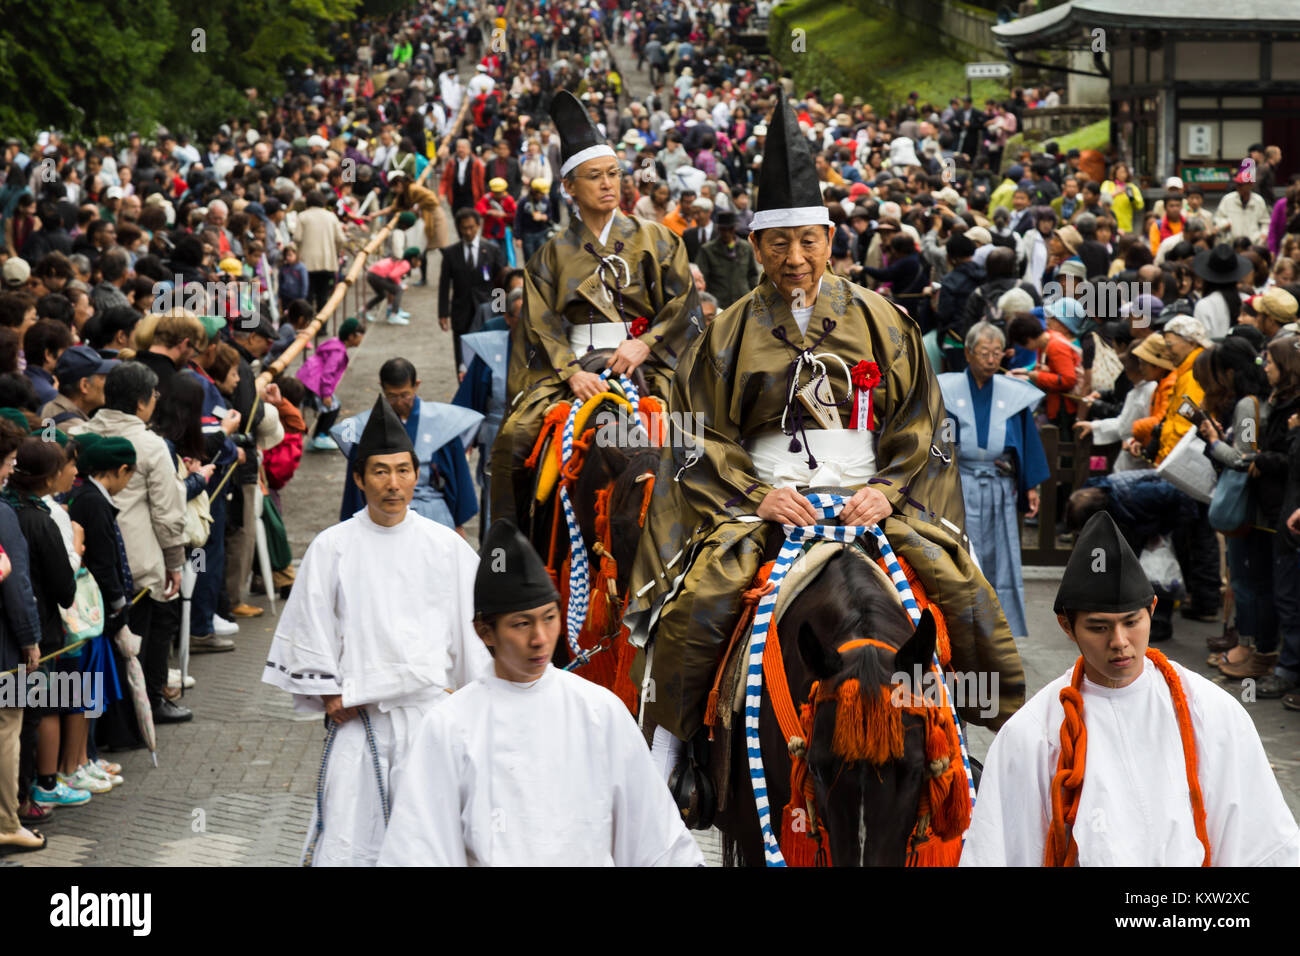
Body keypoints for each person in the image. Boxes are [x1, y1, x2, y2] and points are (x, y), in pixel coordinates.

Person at [627, 89, 1024, 787]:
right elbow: (696, 436)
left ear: (831, 242)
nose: (795, 257)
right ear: (754, 246)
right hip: (764, 500)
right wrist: (758, 494)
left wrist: (889, 489)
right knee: (700, 601)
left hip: (870, 495)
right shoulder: (722, 335)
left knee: (961, 588)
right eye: (777, 242)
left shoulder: (882, 320)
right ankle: (676, 750)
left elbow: (921, 426)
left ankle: (967, 732)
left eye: (808, 240)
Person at [960, 511, 1300, 866]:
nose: (1120, 642)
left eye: (1132, 622)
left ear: (1152, 609)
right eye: (1098, 627)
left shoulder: (1210, 709)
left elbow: (1263, 844)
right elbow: (999, 850)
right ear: (1066, 626)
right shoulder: (1033, 733)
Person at [377, 519, 704, 867]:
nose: (540, 638)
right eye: (521, 623)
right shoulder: (448, 725)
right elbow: (418, 848)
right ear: (485, 631)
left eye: (549, 618)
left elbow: (655, 838)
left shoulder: (599, 711)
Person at [262, 394, 492, 867]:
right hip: (360, 719)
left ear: (416, 472)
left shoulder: (446, 547)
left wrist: (476, 699)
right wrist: (326, 689)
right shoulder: (333, 547)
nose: (394, 483)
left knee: (436, 843)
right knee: (352, 837)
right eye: (381, 472)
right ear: (360, 477)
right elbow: (309, 623)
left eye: (404, 470)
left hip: (431, 719)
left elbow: (480, 628)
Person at [488, 90, 702, 527]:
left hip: (648, 362)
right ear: (568, 186)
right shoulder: (550, 254)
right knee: (515, 436)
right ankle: (513, 548)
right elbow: (539, 324)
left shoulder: (659, 239)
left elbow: (683, 304)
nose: (608, 184)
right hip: (576, 367)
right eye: (594, 176)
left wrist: (645, 344)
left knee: (699, 430)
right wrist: (571, 372)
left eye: (613, 174)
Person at [68, 362, 190, 725]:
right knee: (146, 636)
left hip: (85, 559)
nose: (155, 401)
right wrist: (175, 561)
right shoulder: (152, 446)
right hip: (138, 562)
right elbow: (168, 511)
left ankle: (106, 723)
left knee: (98, 644)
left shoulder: (78, 433)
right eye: (153, 396)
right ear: (141, 403)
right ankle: (149, 705)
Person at [939, 322, 1049, 638]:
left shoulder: (1015, 395)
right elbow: (942, 439)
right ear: (969, 353)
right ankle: (960, 624)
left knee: (1003, 557)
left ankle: (1000, 629)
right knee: (961, 552)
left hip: (1000, 483)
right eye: (984, 352)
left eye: (997, 352)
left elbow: (1026, 444)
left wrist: (1030, 487)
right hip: (962, 482)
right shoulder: (947, 388)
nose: (990, 358)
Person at [333, 358, 480, 534]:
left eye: (405, 395)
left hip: (432, 510)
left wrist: (457, 524)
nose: (399, 402)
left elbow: (458, 476)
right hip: (382, 512)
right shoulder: (363, 428)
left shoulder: (442, 425)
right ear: (382, 387)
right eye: (392, 396)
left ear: (416, 385)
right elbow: (357, 483)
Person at [439, 209, 505, 375]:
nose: (468, 232)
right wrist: (443, 313)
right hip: (461, 310)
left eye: (471, 227)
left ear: (478, 226)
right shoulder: (450, 253)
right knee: (461, 355)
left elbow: (500, 281)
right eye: (464, 228)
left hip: (486, 309)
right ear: (458, 228)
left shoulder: (492, 250)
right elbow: (444, 284)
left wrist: (500, 309)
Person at [298, 317, 365, 452]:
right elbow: (328, 373)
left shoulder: (335, 343)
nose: (361, 340)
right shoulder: (338, 352)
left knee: (330, 407)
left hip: (310, 378)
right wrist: (327, 394)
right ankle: (320, 436)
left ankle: (318, 436)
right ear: (351, 336)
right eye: (359, 337)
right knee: (332, 406)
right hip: (315, 382)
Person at [695, 210, 758, 310]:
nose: (727, 233)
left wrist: (755, 296)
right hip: (719, 304)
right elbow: (701, 278)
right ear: (718, 229)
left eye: (730, 229)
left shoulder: (745, 248)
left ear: (735, 228)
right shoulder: (707, 250)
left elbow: (753, 275)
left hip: (743, 301)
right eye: (723, 229)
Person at [1100, 163, 1143, 236]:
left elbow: (1139, 206)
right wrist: (1116, 193)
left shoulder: (1131, 187)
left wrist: (1131, 197)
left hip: (1126, 226)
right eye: (1120, 172)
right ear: (1115, 173)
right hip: (1110, 225)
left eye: (1125, 172)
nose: (1123, 174)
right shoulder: (1107, 184)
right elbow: (1102, 200)